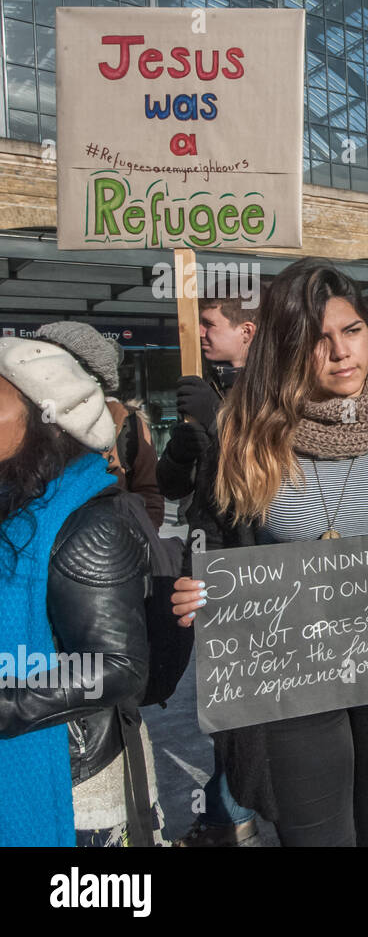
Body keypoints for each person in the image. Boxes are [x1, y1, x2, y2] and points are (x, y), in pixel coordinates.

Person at [170, 257, 368, 846]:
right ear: (286, 348)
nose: (341, 353)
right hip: (291, 668)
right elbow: (208, 527)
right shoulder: (245, 427)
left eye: (352, 330)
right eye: (316, 341)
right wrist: (196, 580)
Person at [0, 337, 163, 846]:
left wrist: (8, 703)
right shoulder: (14, 499)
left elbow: (117, 666)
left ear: (44, 415)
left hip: (71, 775)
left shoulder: (89, 520)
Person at [155, 292, 262, 847]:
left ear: (247, 332)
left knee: (242, 703)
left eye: (210, 323)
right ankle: (230, 813)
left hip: (250, 567)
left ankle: (231, 815)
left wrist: (218, 424)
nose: (199, 333)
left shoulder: (268, 391)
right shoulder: (214, 390)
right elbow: (172, 486)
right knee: (224, 700)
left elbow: (262, 482)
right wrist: (182, 446)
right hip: (206, 564)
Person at [35, 322, 164, 529]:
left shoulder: (125, 422)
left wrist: (137, 542)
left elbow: (148, 492)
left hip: (106, 547)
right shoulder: (27, 416)